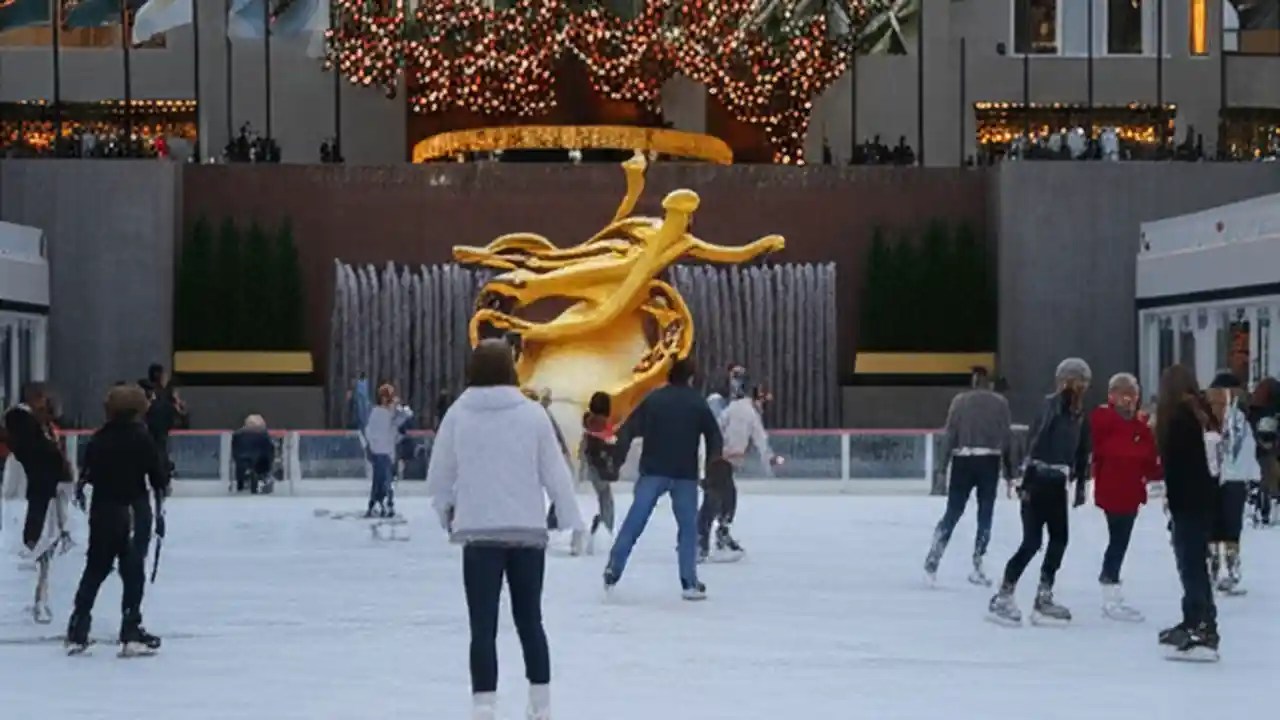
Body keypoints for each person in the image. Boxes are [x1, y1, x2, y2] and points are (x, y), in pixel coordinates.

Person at [425, 339, 584, 720]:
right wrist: (569, 518)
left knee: (482, 626)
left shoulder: (458, 414)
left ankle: (484, 707)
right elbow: (556, 474)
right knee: (530, 620)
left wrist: (447, 511)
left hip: (479, 533)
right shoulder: (532, 415)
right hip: (527, 532)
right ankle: (541, 704)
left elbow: (438, 475)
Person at [605, 356, 723, 600]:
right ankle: (689, 581)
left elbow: (628, 429)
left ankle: (613, 568)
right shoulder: (697, 403)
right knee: (688, 528)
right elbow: (714, 437)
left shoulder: (654, 399)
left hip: (653, 469)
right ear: (690, 377)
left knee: (635, 520)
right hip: (685, 474)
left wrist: (617, 460)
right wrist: (712, 466)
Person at [988, 358, 1092, 626]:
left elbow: (1082, 450)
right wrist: (1026, 479)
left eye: (1083, 382)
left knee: (1059, 539)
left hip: (1058, 482)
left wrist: (1081, 484)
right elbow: (1036, 440)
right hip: (1039, 481)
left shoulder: (1078, 413)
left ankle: (1044, 595)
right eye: (1076, 381)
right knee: (1032, 542)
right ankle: (1004, 594)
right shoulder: (1053, 406)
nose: (1080, 387)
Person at [66, 384, 169, 656]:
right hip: (132, 509)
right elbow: (157, 476)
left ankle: (78, 628)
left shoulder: (98, 438)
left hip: (102, 510)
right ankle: (131, 630)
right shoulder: (142, 438)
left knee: (95, 568)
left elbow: (88, 473)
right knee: (133, 572)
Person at [924, 367, 1014, 586]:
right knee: (985, 513)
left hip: (963, 460)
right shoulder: (1000, 403)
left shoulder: (960, 401)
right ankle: (978, 562)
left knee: (953, 511)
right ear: (989, 383)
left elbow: (950, 435)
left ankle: (934, 556)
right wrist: (1011, 471)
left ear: (974, 382)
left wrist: (942, 468)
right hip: (989, 461)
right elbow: (1007, 437)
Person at [1155, 365, 1220, 660]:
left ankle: (1203, 626)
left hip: (1189, 502)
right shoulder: (1199, 413)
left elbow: (1180, 467)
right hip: (1201, 500)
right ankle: (1195, 619)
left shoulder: (1181, 419)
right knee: (1193, 563)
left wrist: (1175, 500)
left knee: (1191, 564)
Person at [1090, 373, 1161, 621]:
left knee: (1120, 541)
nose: (1130, 400)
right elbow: (1111, 451)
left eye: (1134, 395)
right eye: (1124, 395)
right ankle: (1110, 588)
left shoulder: (1140, 428)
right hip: (1113, 491)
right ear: (1112, 396)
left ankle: (1111, 586)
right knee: (1118, 541)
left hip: (1131, 493)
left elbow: (1150, 462)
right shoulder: (1105, 420)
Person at [700, 384, 777, 562]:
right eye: (764, 403)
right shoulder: (746, 413)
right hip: (719, 460)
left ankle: (716, 535)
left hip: (719, 460)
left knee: (725, 498)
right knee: (716, 500)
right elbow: (758, 438)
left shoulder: (741, 409)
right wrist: (769, 458)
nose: (764, 408)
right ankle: (703, 541)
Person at [3, 383, 71, 552]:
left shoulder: (42, 420)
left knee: (48, 506)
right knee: (37, 506)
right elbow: (31, 444)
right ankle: (30, 541)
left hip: (47, 472)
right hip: (36, 471)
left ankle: (48, 538)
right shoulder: (20, 417)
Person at [1207, 372, 1257, 595]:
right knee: (1217, 522)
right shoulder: (1206, 416)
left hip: (1232, 476)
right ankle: (1215, 567)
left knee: (1230, 523)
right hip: (1215, 476)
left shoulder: (1242, 416)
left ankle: (1227, 567)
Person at [363, 384, 413, 518]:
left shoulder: (384, 413)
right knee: (384, 479)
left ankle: (379, 503)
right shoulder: (382, 413)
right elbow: (400, 420)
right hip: (382, 452)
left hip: (383, 451)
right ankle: (383, 503)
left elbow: (394, 427)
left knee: (383, 479)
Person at [580, 391, 619, 555]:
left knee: (592, 504)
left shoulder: (588, 423)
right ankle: (602, 534)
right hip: (597, 473)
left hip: (587, 473)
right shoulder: (601, 426)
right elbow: (604, 449)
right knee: (606, 503)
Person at [139, 364, 185, 477]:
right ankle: (161, 472)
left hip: (161, 426)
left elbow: (180, 411)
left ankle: (162, 471)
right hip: (156, 425)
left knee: (160, 448)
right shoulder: (151, 391)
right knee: (159, 449)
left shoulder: (166, 392)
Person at [1247, 378, 1279, 526]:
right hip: (1271, 450)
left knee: (1264, 481)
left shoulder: (1253, 410)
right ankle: (1265, 509)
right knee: (1268, 479)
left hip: (1258, 450)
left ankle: (1262, 509)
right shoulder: (1274, 409)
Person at [231, 414, 274, 494]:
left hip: (243, 461)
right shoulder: (265, 436)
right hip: (261, 462)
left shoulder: (237, 436)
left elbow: (234, 450)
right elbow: (270, 451)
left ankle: (243, 483)